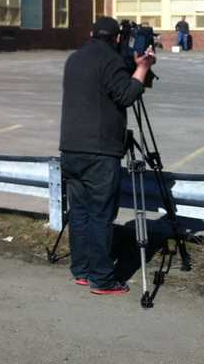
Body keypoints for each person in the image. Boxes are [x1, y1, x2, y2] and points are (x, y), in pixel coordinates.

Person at [59, 16, 155, 296]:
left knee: (79, 212)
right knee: (101, 214)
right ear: (116, 39)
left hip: (71, 148)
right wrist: (142, 68)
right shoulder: (111, 61)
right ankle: (102, 278)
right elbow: (126, 95)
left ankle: (82, 270)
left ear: (90, 33)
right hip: (99, 151)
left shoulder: (74, 59)